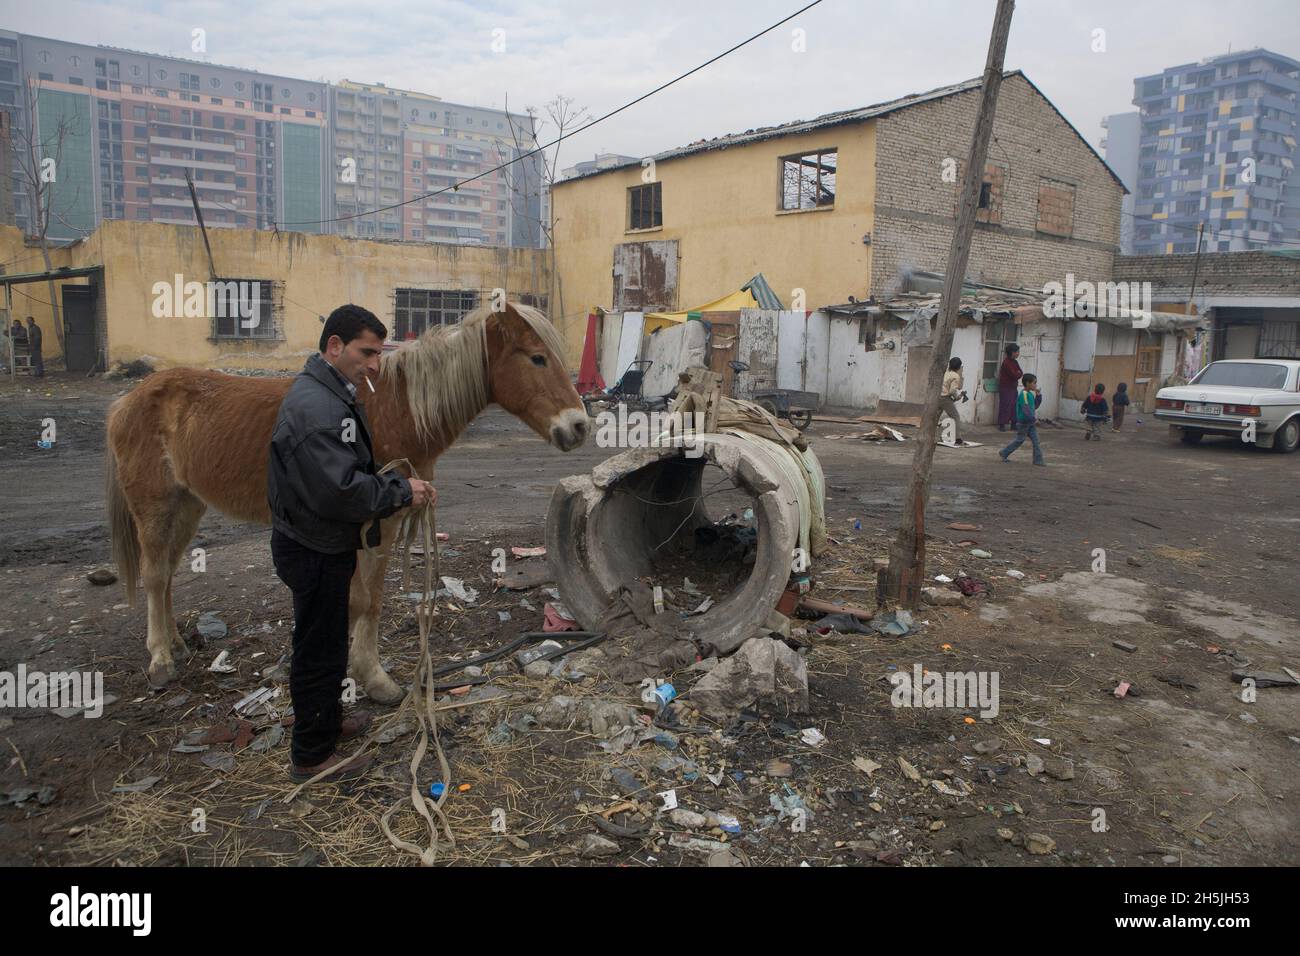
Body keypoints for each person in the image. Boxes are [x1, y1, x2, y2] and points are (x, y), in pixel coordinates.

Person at [267, 304, 437, 783]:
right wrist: (403, 490)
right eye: (366, 352)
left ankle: (328, 722)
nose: (374, 365)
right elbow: (339, 490)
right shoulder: (317, 408)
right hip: (315, 546)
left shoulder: (327, 393)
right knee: (318, 648)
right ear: (335, 346)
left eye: (379, 354)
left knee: (325, 640)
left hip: (319, 540)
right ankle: (311, 756)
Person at [999, 372, 1044, 466]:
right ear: (1028, 383)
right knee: (1020, 440)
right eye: (1034, 383)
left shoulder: (1030, 394)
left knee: (1035, 441)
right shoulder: (1024, 394)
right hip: (1024, 423)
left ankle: (1038, 461)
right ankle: (1004, 452)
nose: (1035, 385)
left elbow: (1034, 406)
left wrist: (1039, 396)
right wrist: (1034, 419)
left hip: (1029, 423)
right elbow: (1026, 409)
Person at [939, 356, 970, 445]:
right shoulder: (956, 376)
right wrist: (957, 397)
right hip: (945, 398)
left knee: (935, 417)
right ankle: (958, 439)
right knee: (956, 417)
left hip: (938, 397)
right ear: (959, 367)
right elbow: (952, 390)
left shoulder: (946, 372)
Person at [997, 343, 1022, 432]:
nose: (1018, 353)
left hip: (1013, 387)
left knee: (1014, 405)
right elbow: (1015, 374)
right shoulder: (1007, 362)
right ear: (1012, 352)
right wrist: (1018, 373)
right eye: (1017, 352)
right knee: (1005, 405)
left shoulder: (1015, 362)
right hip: (1006, 387)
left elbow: (1020, 372)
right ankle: (1002, 424)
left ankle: (1014, 424)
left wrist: (1018, 374)